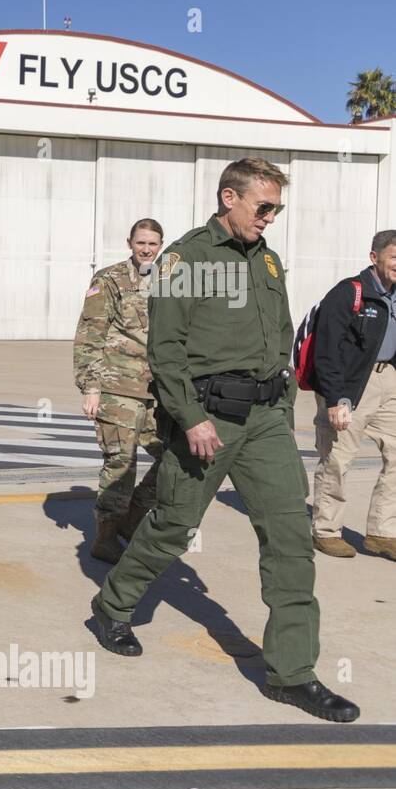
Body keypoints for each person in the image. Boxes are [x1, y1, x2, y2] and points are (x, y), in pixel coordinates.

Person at [91, 158, 360, 723]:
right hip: (206, 419)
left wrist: (282, 408)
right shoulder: (186, 260)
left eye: (276, 209)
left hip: (264, 420)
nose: (270, 219)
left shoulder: (267, 260)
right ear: (228, 197)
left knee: (289, 537)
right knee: (171, 525)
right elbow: (165, 351)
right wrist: (189, 417)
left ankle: (292, 673)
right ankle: (113, 604)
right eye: (263, 207)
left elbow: (283, 335)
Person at [73, 219, 166, 563]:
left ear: (161, 245)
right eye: (141, 242)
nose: (146, 249)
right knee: (121, 463)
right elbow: (89, 334)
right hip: (116, 386)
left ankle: (132, 516)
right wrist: (91, 387)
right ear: (130, 242)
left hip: (156, 391)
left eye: (153, 244)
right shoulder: (109, 280)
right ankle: (106, 535)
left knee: (173, 458)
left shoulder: (168, 282)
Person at [309, 229, 396, 560]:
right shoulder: (348, 293)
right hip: (351, 383)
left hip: (389, 380)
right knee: (338, 458)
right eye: (394, 257)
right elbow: (327, 350)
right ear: (374, 258)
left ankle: (382, 532)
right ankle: (327, 530)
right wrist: (334, 400)